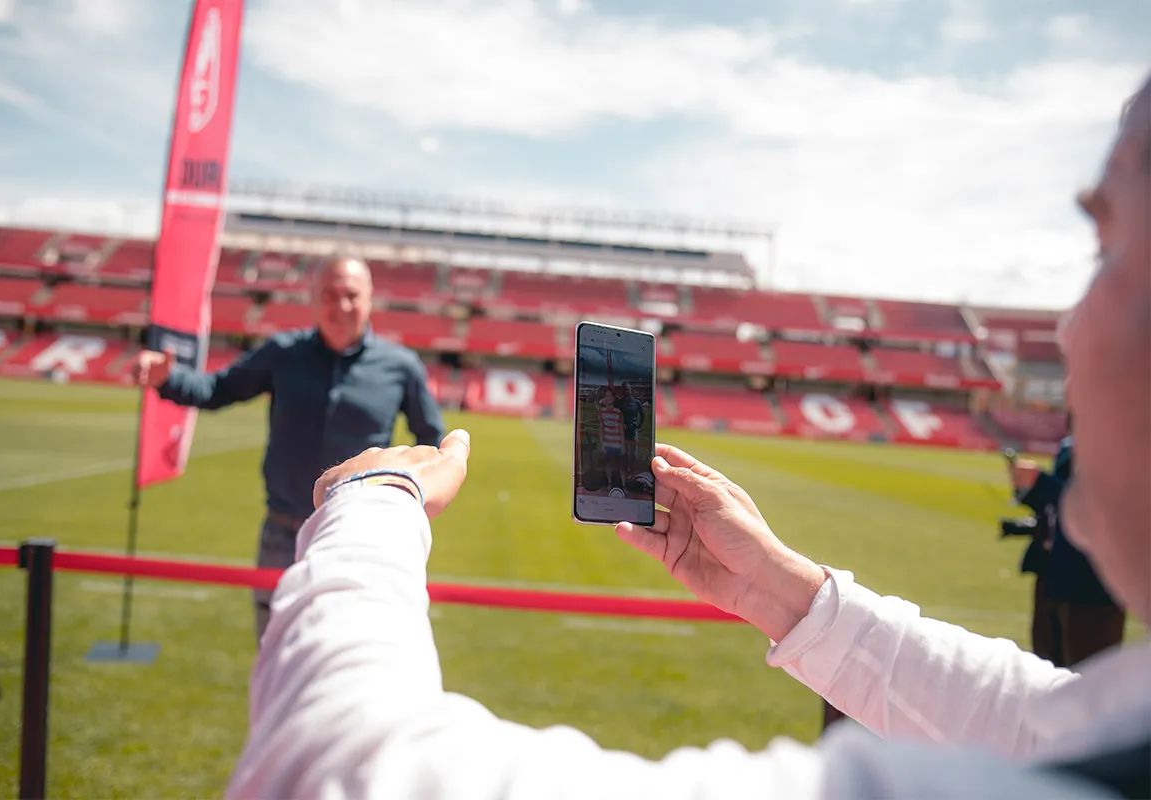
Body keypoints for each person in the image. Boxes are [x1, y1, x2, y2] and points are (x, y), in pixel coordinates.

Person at [226, 75, 1151, 798]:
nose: (1065, 329)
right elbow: (1042, 720)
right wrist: (789, 592)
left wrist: (371, 508)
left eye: (1103, 250)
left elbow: (339, 777)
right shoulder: (1111, 739)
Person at [132, 257, 445, 642]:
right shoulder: (282, 353)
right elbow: (216, 390)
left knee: (347, 645)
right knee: (273, 645)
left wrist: (400, 501)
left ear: (369, 299)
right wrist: (169, 379)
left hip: (356, 532)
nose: (341, 306)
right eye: (329, 295)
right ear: (313, 299)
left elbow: (429, 442)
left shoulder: (401, 367)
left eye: (351, 295)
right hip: (281, 532)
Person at [1011, 432, 1126, 667]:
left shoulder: (1126, 443)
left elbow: (1103, 508)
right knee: (1047, 674)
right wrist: (1028, 489)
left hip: (1091, 587)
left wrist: (1042, 483)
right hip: (1053, 577)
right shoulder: (1071, 444)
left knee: (1088, 680)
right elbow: (1057, 509)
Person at [596, 386, 627, 492]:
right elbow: (601, 429)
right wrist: (602, 445)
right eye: (606, 396)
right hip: (608, 444)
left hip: (617, 444)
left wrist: (623, 446)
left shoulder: (618, 412)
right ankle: (609, 483)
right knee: (608, 465)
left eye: (610, 396)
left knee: (621, 466)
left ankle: (623, 486)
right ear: (604, 399)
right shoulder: (602, 412)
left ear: (613, 398)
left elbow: (621, 430)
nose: (609, 398)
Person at [617, 380, 646, 476]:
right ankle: (624, 470)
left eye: (628, 390)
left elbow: (642, 415)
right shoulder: (619, 402)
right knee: (624, 452)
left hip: (633, 431)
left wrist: (639, 426)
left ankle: (633, 471)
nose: (627, 392)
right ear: (622, 390)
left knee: (633, 453)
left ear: (631, 390)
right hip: (622, 431)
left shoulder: (636, 402)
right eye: (625, 390)